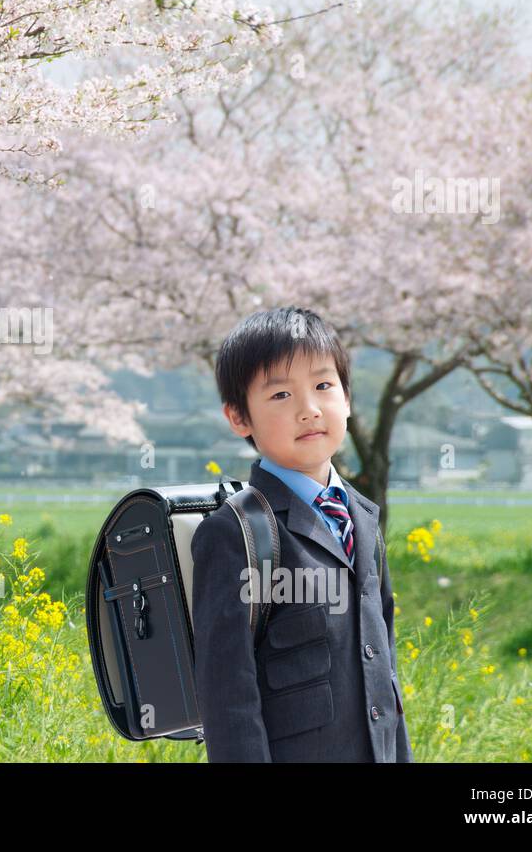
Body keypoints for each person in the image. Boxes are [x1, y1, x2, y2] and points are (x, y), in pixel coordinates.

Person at [190, 306, 412, 762]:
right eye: (280, 396)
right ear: (238, 417)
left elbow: (385, 673)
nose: (309, 410)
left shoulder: (363, 518)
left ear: (347, 398)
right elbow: (228, 698)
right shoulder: (236, 534)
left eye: (323, 386)